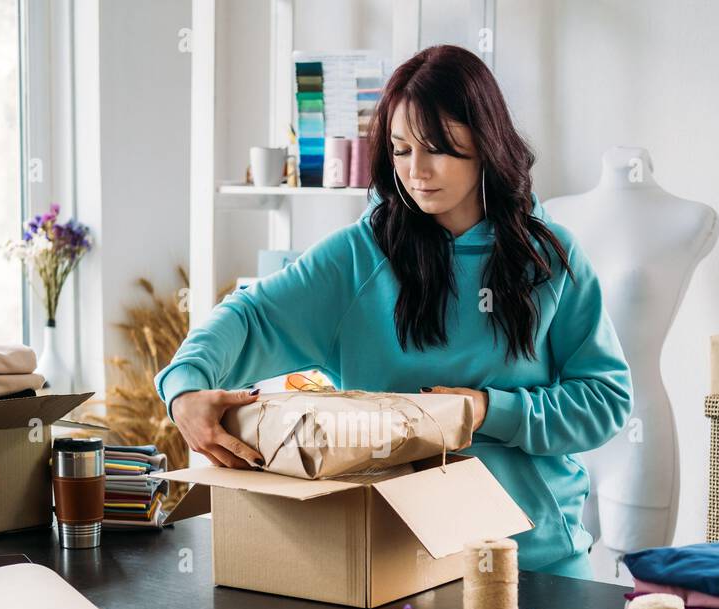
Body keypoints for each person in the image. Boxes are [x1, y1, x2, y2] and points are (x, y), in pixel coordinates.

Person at [155, 44, 633, 580]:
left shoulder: (548, 259)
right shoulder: (360, 256)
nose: (416, 171)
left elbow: (606, 401)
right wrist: (186, 387)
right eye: (401, 150)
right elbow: (251, 316)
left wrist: (484, 411)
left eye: (438, 148)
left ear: (487, 144)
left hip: (536, 558)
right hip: (391, 562)